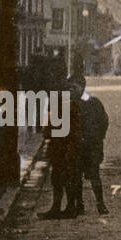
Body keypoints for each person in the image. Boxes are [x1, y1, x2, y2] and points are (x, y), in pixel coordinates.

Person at [66, 76, 110, 216]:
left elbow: (104, 121)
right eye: (70, 88)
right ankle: (80, 204)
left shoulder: (94, 103)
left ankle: (100, 204)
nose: (71, 91)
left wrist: (99, 138)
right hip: (77, 146)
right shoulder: (69, 104)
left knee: (94, 175)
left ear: (82, 87)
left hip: (92, 146)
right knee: (76, 176)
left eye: (74, 87)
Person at [38, 80, 81, 219]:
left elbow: (45, 130)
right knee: (69, 178)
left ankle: (57, 208)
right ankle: (71, 207)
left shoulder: (58, 108)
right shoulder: (76, 107)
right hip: (72, 149)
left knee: (57, 179)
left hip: (58, 149)